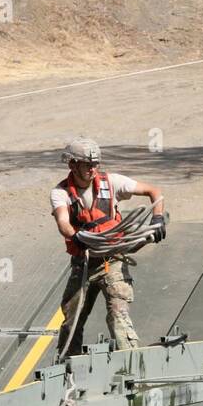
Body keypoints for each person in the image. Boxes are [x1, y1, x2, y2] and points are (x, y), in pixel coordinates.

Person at [51, 136, 165, 356]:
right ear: (72, 164)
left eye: (95, 164)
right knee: (71, 320)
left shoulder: (111, 182)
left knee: (118, 314)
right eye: (87, 164)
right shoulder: (60, 193)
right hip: (83, 262)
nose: (93, 169)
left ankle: (131, 365)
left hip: (112, 259)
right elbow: (63, 222)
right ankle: (68, 368)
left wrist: (157, 218)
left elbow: (155, 192)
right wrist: (76, 237)